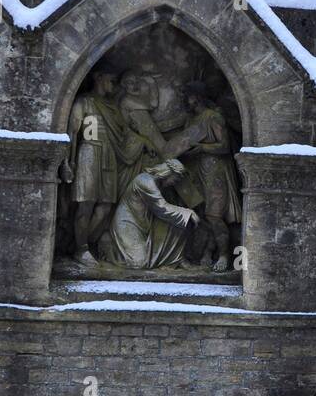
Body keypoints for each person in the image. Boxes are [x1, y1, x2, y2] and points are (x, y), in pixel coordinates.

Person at [62, 72, 149, 267]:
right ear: (98, 78)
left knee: (105, 207)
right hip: (89, 153)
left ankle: (80, 244)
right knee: (86, 204)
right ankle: (81, 249)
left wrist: (144, 142)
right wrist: (67, 161)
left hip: (109, 156)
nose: (115, 84)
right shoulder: (84, 102)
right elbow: (73, 132)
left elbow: (125, 132)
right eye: (112, 79)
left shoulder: (113, 107)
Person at [163, 81, 241, 272]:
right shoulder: (191, 121)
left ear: (196, 97)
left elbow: (224, 146)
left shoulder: (213, 117)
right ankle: (206, 252)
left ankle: (223, 255)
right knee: (202, 215)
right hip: (196, 171)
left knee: (214, 216)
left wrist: (202, 148)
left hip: (215, 171)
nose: (185, 100)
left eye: (187, 96)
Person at [101, 158, 200, 270]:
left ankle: (176, 259)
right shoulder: (145, 181)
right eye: (175, 179)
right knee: (138, 263)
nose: (174, 183)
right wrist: (188, 212)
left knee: (178, 223)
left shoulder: (158, 184)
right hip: (128, 223)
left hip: (145, 222)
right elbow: (161, 208)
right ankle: (107, 246)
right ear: (168, 172)